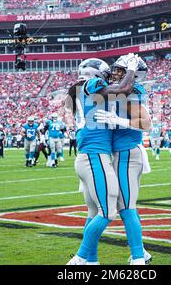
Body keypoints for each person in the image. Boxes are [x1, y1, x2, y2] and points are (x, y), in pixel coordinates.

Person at [65, 55, 139, 265]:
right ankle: (80, 258)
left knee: (94, 211)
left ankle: (92, 261)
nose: (109, 80)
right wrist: (131, 70)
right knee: (108, 212)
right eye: (106, 77)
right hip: (94, 157)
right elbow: (123, 91)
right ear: (96, 75)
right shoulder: (92, 84)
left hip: (87, 157)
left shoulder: (80, 91)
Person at [95, 55, 153, 264]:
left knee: (126, 206)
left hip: (128, 153)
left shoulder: (133, 93)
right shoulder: (123, 91)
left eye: (122, 71)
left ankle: (138, 257)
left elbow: (147, 124)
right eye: (117, 70)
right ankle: (141, 252)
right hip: (124, 152)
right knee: (125, 205)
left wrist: (118, 120)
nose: (116, 74)